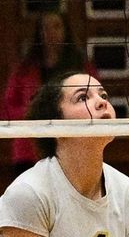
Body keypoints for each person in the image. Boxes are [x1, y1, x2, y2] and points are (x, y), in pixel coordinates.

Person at [0, 72, 129, 237]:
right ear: (55, 124)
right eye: (83, 98)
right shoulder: (28, 194)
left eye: (103, 95)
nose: (101, 102)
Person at [2, 12, 96, 180]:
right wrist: (32, 115)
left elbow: (94, 99)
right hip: (28, 148)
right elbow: (8, 106)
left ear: (65, 30)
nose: (50, 32)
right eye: (44, 27)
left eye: (56, 26)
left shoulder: (81, 66)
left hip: (71, 147)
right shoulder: (24, 68)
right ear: (39, 33)